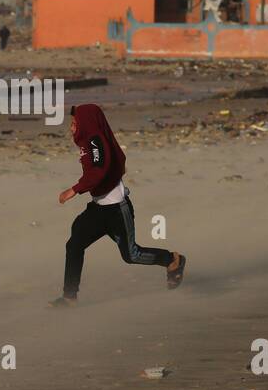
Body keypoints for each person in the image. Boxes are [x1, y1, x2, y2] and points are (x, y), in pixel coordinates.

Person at [49, 103, 185, 306]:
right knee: (75, 243)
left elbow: (98, 170)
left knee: (131, 254)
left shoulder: (95, 140)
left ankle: (172, 259)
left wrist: (74, 190)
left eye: (75, 123)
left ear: (86, 122)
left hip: (116, 209)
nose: (71, 128)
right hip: (98, 208)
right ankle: (70, 297)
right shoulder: (89, 142)